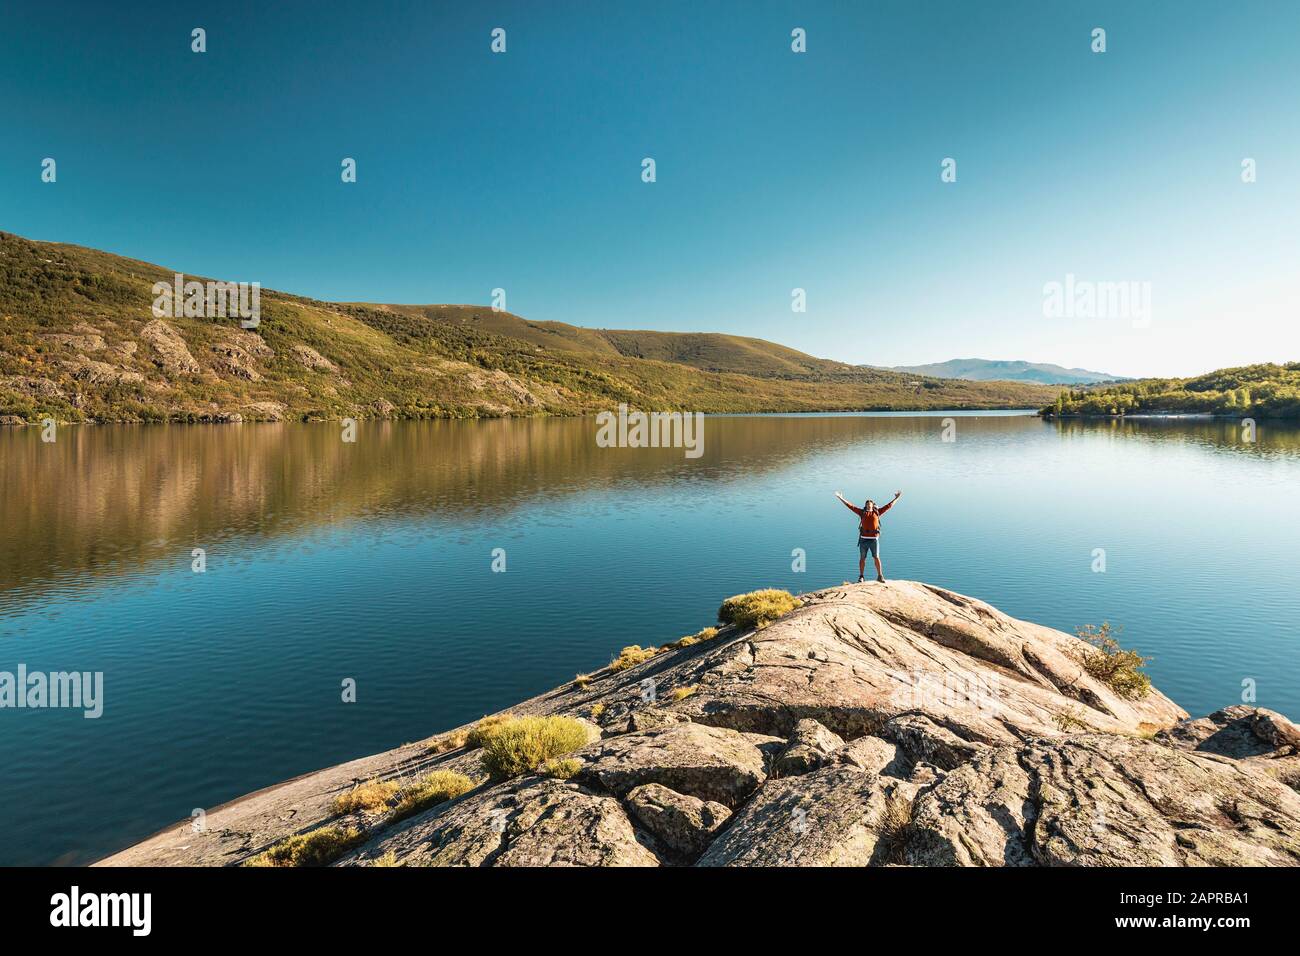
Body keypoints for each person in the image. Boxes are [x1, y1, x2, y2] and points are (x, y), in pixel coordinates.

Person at [835, 489, 902, 583]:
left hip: (874, 540)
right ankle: (861, 577)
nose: (868, 506)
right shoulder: (862, 513)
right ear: (865, 506)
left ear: (872, 505)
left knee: (876, 557)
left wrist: (897, 498)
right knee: (862, 558)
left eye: (870, 505)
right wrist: (840, 498)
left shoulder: (877, 512)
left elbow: (889, 506)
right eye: (867, 505)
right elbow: (850, 506)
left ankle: (880, 576)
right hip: (863, 540)